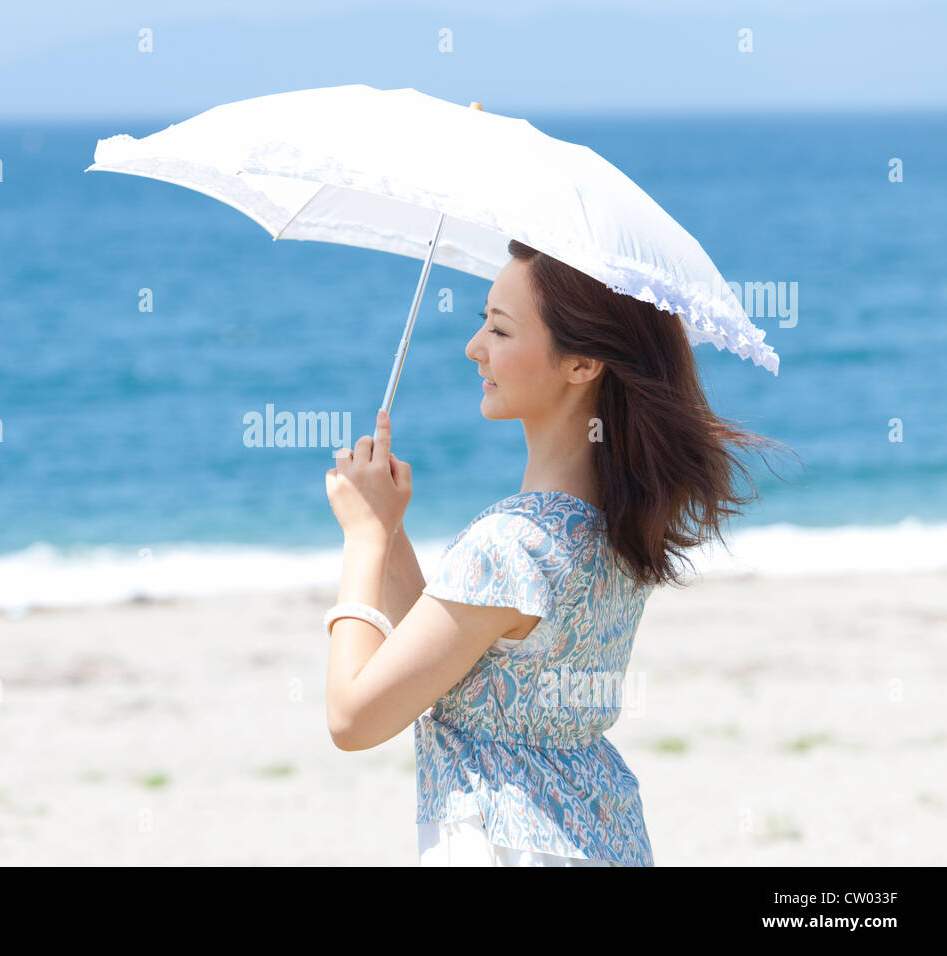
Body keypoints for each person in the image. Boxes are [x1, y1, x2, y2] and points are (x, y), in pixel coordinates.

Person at [323, 238, 791, 866]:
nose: (474, 347)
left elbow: (353, 718)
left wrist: (364, 539)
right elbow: (448, 667)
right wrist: (392, 529)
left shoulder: (510, 542)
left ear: (582, 363)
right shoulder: (608, 527)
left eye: (500, 328)